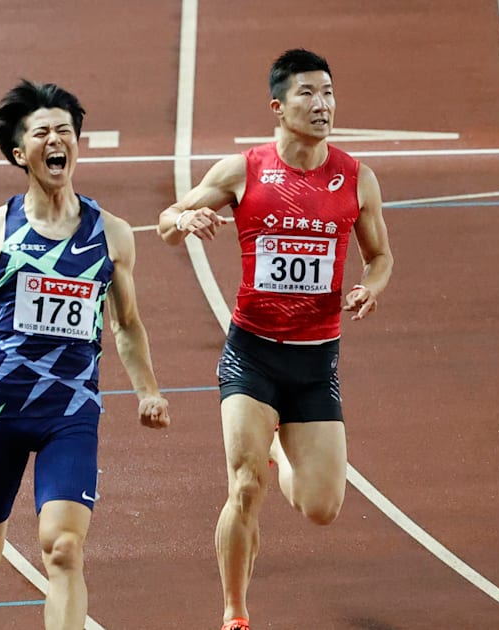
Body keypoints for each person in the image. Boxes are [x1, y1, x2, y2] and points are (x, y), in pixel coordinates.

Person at [0, 80, 171, 630]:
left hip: (71, 415)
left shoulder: (114, 235)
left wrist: (148, 390)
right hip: (2, 412)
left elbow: (127, 326)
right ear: (18, 153)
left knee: (64, 549)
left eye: (65, 131)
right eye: (42, 133)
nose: (57, 140)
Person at [157, 49, 393, 630]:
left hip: (317, 364)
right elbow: (166, 219)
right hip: (252, 356)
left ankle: (278, 446)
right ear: (278, 106)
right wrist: (184, 220)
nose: (323, 105)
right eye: (309, 94)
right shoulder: (243, 171)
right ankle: (235, 614)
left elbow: (381, 255)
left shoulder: (356, 177)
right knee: (244, 486)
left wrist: (371, 285)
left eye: (329, 94)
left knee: (322, 508)